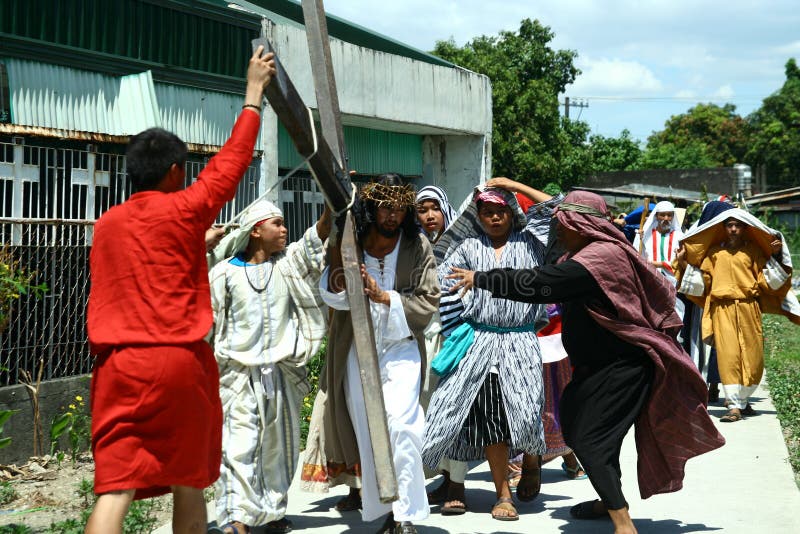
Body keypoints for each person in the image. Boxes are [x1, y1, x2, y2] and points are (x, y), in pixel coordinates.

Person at [446, 191, 725, 534]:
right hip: (598, 368)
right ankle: (606, 498)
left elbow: (542, 284)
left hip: (623, 366)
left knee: (590, 439)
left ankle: (623, 523)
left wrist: (482, 278)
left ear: (581, 223)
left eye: (563, 223)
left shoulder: (598, 259)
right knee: (580, 425)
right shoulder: (587, 253)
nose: (559, 230)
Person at [85, 47, 276, 533]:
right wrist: (253, 93)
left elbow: (146, 263)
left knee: (115, 487)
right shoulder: (186, 209)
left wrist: (194, 242)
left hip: (118, 366)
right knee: (188, 481)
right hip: (177, 362)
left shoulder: (106, 226)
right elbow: (230, 165)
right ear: (174, 172)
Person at [422, 177, 559, 522]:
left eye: (500, 210)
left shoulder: (532, 243)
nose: (494, 218)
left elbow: (559, 210)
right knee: (493, 419)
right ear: (478, 215)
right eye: (486, 211)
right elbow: (440, 280)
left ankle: (531, 460)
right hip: (480, 342)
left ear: (512, 212)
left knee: (527, 415)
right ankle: (503, 494)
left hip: (521, 341)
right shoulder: (467, 246)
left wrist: (512, 184)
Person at [319, 174, 439, 534]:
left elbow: (428, 300)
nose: (393, 216)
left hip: (401, 348)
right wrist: (347, 281)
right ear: (372, 208)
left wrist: (384, 295)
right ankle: (387, 510)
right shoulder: (348, 241)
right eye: (387, 208)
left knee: (404, 427)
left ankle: (406, 515)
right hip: (357, 349)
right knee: (371, 431)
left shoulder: (417, 245)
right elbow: (330, 289)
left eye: (401, 209)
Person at [207, 200, 331, 534]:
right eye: (276, 223)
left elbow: (314, 240)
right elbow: (207, 321)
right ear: (256, 231)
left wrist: (332, 205)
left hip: (280, 374)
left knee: (280, 448)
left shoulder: (288, 265)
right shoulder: (223, 273)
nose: (284, 229)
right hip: (236, 377)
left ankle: (273, 511)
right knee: (237, 446)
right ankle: (236, 517)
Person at [675, 208, 796, 422]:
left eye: (737, 225)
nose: (733, 229)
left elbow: (767, 282)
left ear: (744, 228)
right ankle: (733, 406)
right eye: (729, 225)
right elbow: (702, 284)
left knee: (753, 357)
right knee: (728, 355)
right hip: (722, 309)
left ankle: (743, 400)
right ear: (723, 228)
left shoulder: (754, 252)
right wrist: (683, 262)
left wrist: (776, 255)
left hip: (749, 308)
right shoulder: (713, 253)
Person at [414, 186, 470, 515]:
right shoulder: (414, 247)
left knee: (456, 410)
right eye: (422, 209)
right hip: (424, 336)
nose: (429, 215)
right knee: (430, 408)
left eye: (435, 208)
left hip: (456, 337)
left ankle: (459, 485)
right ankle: (445, 477)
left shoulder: (462, 246)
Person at [678, 200, 735, 401]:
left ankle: (719, 387)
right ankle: (702, 386)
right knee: (702, 346)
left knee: (726, 347)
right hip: (702, 303)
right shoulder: (696, 241)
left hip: (728, 303)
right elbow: (688, 273)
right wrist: (683, 261)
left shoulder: (733, 240)